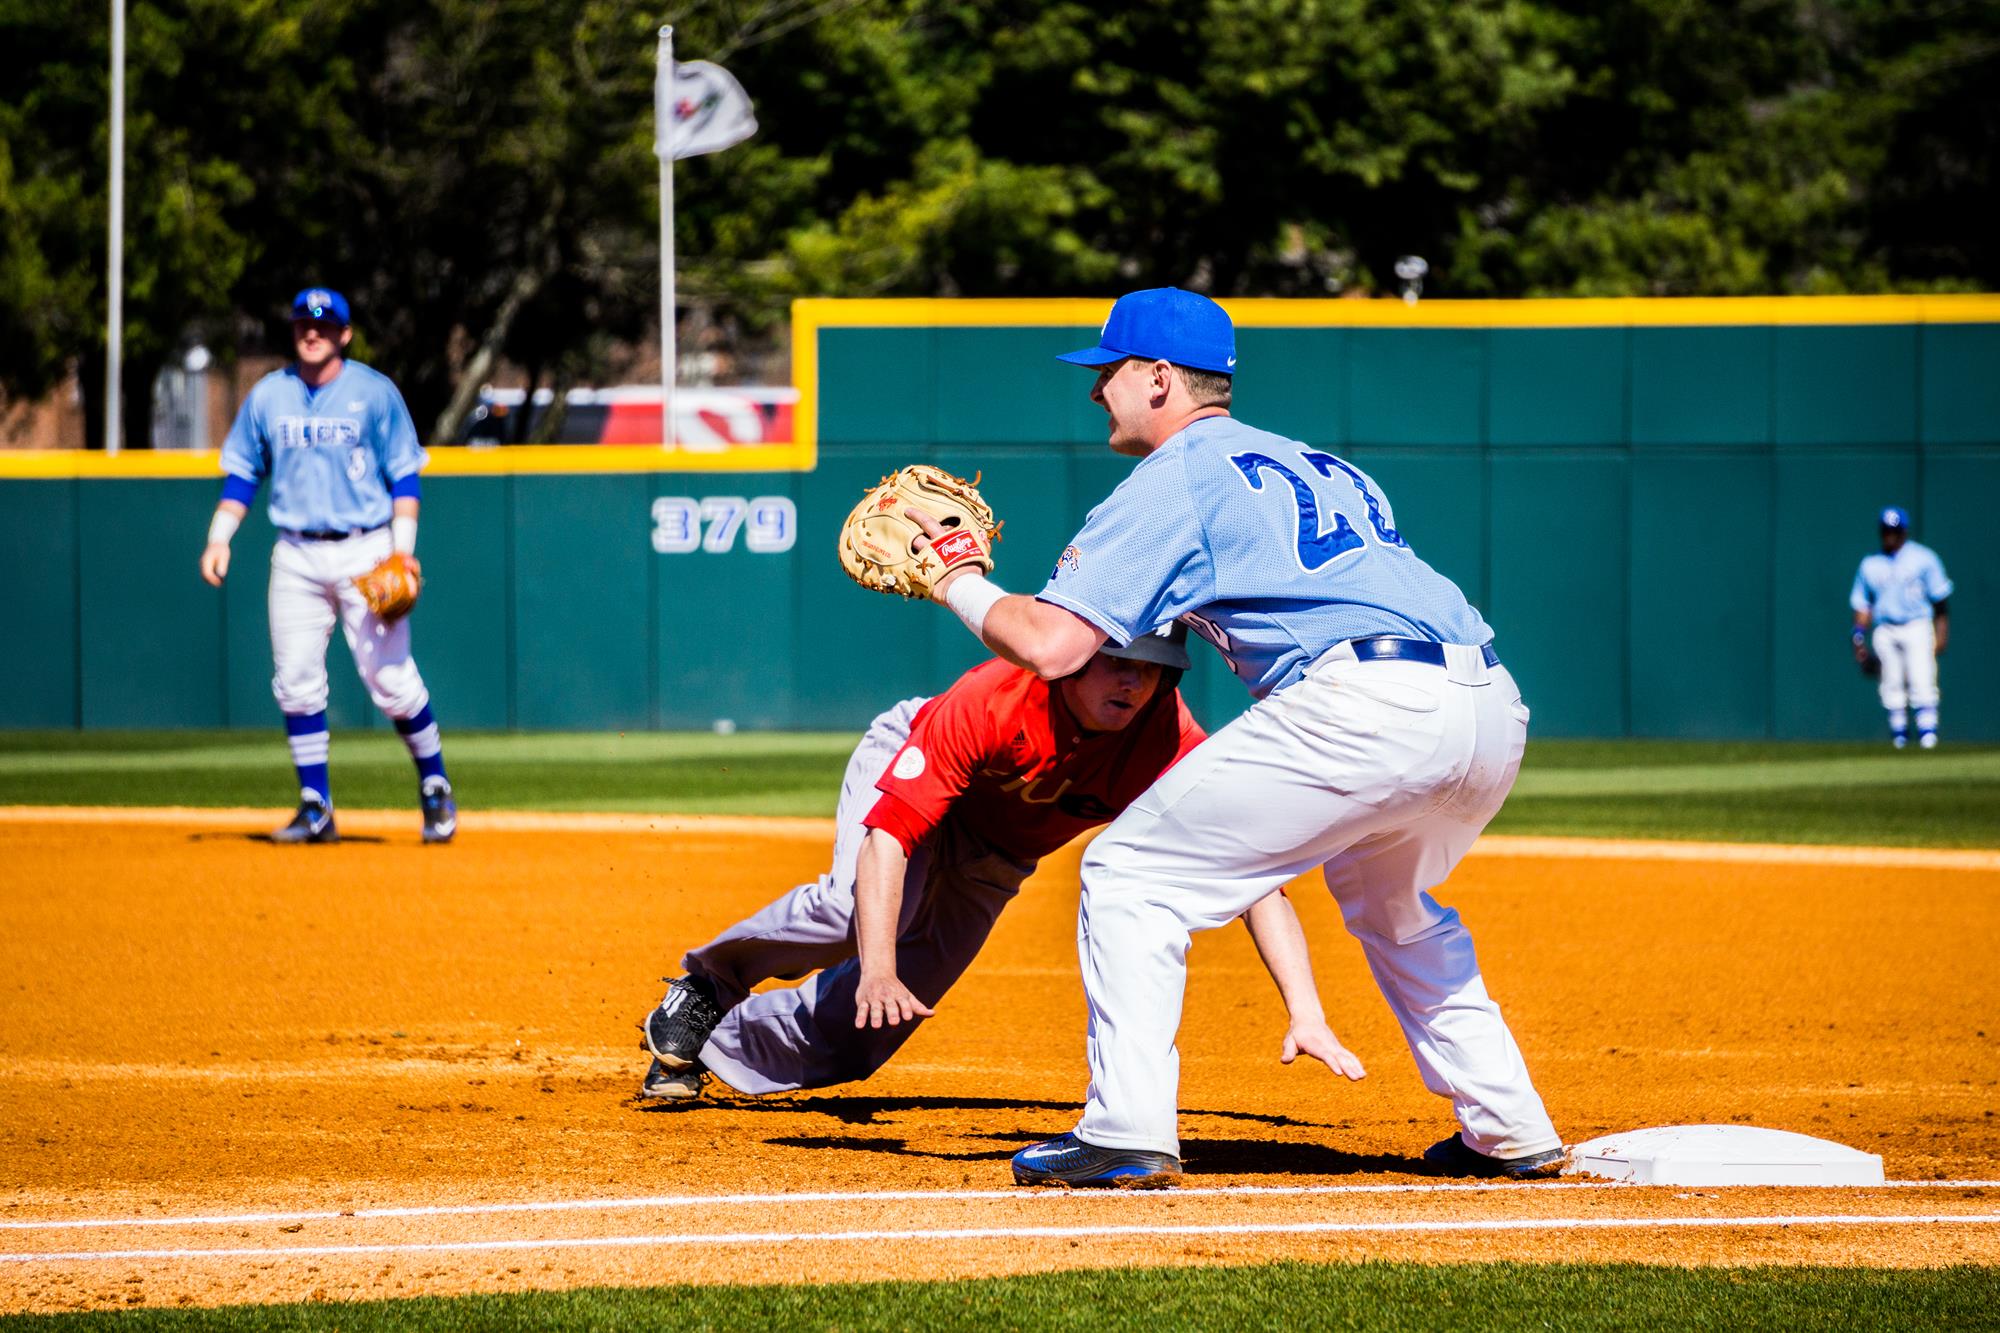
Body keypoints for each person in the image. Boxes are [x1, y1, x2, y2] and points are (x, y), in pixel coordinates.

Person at [905, 287, 1562, 1186]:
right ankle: (1510, 1127)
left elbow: (1054, 648)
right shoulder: (1318, 462)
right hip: (1486, 699)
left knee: (1130, 871)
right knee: (1393, 903)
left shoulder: (1177, 474)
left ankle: (1126, 1129)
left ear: (1161, 378)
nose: (1097, 390)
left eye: (1111, 372)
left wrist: (957, 577)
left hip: (1367, 700)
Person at [637, 629, 1365, 1154]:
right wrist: (877, 965)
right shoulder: (993, 699)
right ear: (1071, 660)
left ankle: (711, 1048)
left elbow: (1251, 877)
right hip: (916, 784)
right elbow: (889, 836)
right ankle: (706, 985)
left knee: (864, 1037)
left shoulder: (1167, 741)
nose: (1132, 682)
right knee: (850, 913)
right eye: (1115, 661)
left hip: (1000, 851)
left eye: (1152, 668)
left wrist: (1305, 1009)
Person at [198, 287, 456, 844]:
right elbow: (243, 472)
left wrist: (402, 549)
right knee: (295, 682)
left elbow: (405, 476)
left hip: (367, 549)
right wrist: (220, 536)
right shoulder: (270, 395)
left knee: (390, 682)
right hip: (295, 552)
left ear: (344, 333)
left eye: (324, 323)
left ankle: (435, 786)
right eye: (301, 324)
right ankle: (316, 805)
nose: (311, 332)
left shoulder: (374, 392)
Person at [1851, 507, 1952, 749]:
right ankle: (1900, 741)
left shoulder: (1923, 558)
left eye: (1894, 531)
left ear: (1904, 531)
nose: (1890, 536)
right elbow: (1863, 606)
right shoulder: (1870, 564)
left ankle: (1929, 739)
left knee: (1922, 680)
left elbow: (1940, 600)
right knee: (1891, 685)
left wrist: (1941, 633)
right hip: (1886, 628)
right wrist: (1857, 637)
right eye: (1886, 531)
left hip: (1917, 625)